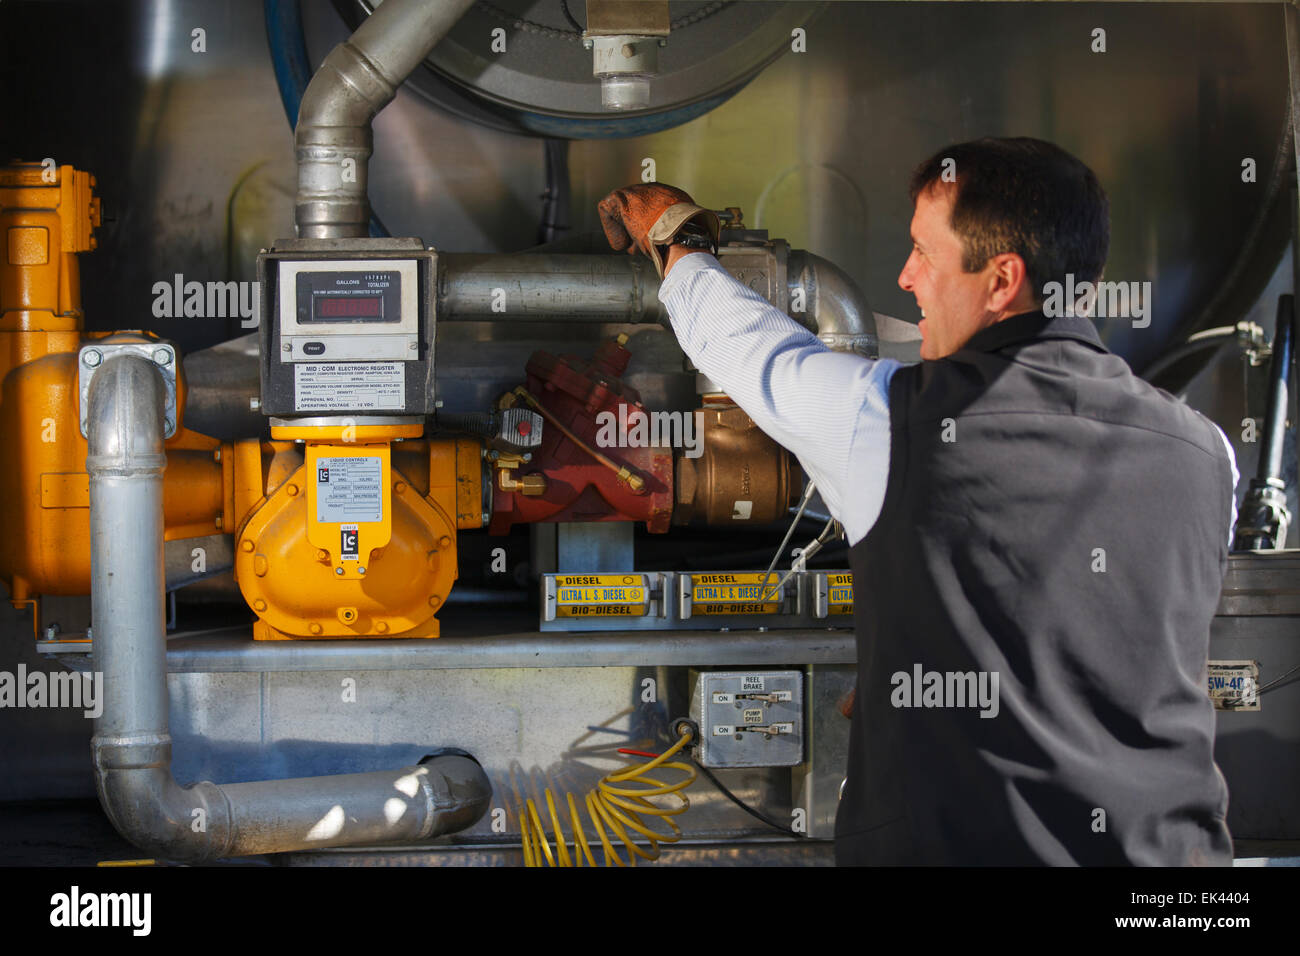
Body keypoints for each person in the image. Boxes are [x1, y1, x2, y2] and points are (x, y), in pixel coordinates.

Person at [598, 137, 1238, 865]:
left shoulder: (890, 424)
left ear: (1002, 281)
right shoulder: (1207, 451)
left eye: (924, 254)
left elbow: (746, 347)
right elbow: (1090, 634)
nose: (905, 278)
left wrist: (678, 238)